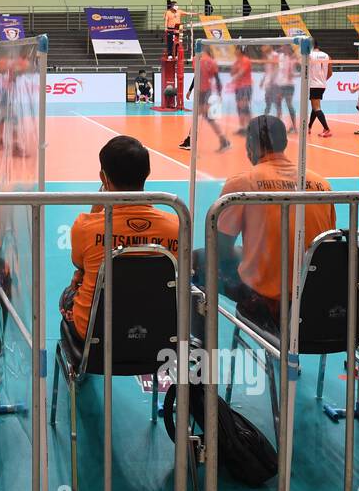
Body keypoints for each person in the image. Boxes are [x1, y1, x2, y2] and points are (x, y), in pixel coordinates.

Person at [201, 116, 337, 333]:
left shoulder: (243, 183)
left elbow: (219, 247)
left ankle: (200, 349)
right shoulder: (321, 183)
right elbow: (326, 243)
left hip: (267, 299)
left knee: (198, 260)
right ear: (284, 142)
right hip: (314, 298)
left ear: (251, 144)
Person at [60, 136, 181, 339]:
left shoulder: (85, 227)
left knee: (69, 294)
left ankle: (80, 365)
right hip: (158, 332)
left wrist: (102, 195)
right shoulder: (177, 226)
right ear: (147, 173)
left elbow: (79, 265)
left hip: (96, 335)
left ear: (103, 177)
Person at [177, 46, 232, 152]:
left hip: (203, 92)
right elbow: (217, 79)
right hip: (206, 92)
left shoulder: (199, 61)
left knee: (204, 117)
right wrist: (219, 94)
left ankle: (222, 141)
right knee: (203, 117)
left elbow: (197, 76)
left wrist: (190, 90)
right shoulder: (212, 62)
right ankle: (190, 140)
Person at [307, 40, 332, 137]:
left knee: (316, 108)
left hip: (314, 85)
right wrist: (322, 80)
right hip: (322, 85)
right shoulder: (327, 55)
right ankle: (309, 127)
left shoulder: (309, 55)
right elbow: (330, 73)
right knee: (315, 107)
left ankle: (326, 129)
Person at [229, 49, 254, 136]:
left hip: (246, 86)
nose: (235, 51)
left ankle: (251, 127)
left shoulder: (245, 60)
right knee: (239, 107)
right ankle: (243, 127)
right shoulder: (236, 61)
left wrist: (234, 79)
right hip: (238, 87)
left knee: (245, 107)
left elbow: (241, 73)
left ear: (240, 51)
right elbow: (232, 73)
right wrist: (234, 72)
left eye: (236, 50)